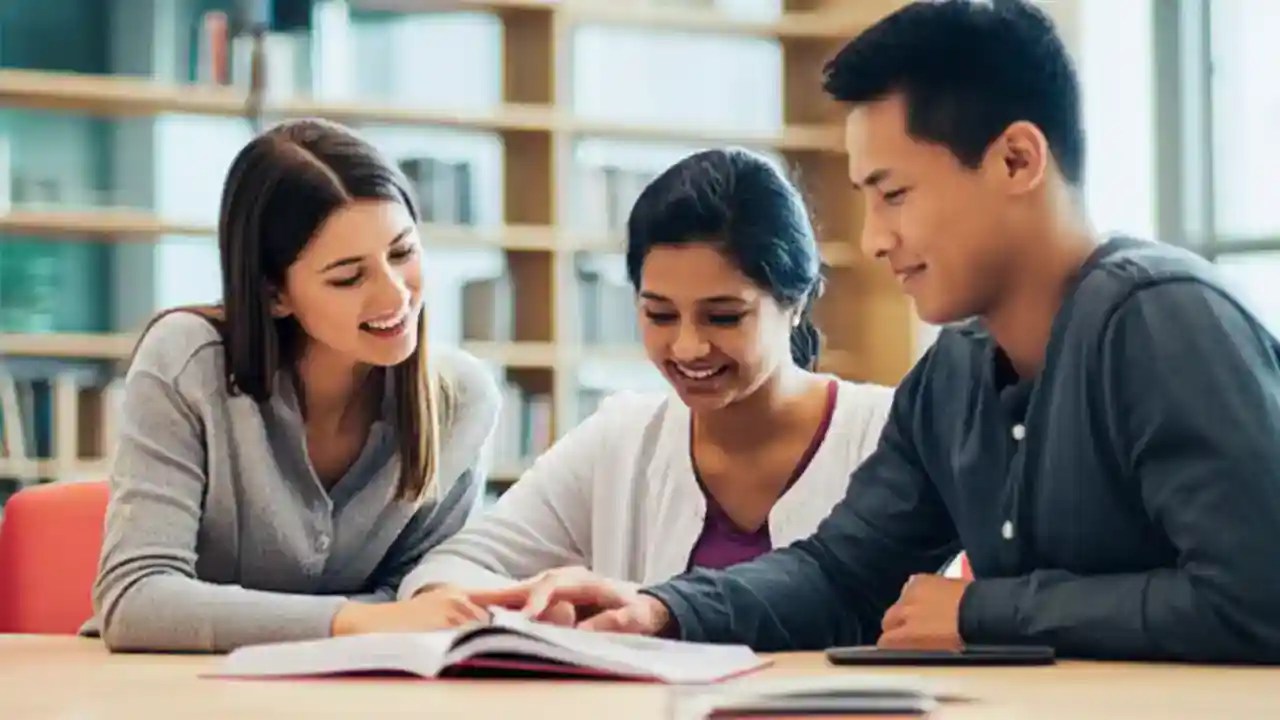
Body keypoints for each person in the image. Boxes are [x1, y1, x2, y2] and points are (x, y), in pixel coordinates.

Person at [475, 0, 1280, 663]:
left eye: (893, 194)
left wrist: (982, 613)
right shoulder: (953, 375)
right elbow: (840, 576)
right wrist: (657, 610)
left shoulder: (1165, 322)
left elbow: (1256, 600)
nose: (872, 238)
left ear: (1016, 161)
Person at [396, 148, 895, 604]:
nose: (688, 347)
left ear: (795, 303)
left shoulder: (886, 433)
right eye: (659, 315)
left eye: (723, 317)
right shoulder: (623, 440)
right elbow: (447, 569)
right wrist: (546, 601)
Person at [84, 119, 500, 653]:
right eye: (349, 277)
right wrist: (357, 619)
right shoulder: (188, 362)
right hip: (179, 694)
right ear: (274, 293)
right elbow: (135, 601)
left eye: (402, 253)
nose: (394, 296)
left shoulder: (459, 399)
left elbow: (427, 596)